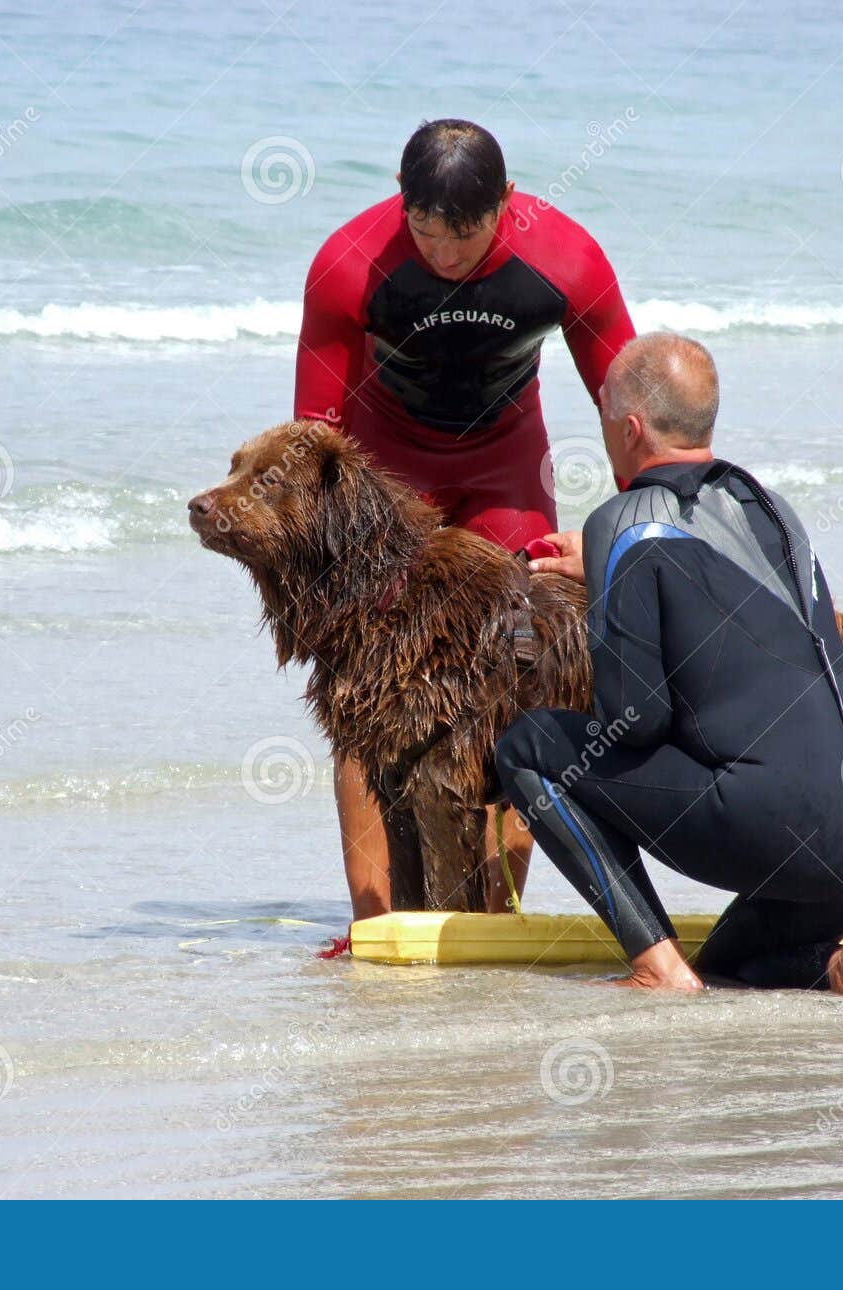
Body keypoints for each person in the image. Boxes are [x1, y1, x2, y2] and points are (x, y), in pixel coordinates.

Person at [495, 333, 843, 1006]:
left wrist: (610, 585)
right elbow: (732, 609)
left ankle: (658, 966)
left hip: (783, 822)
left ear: (629, 427)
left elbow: (634, 720)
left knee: (530, 746)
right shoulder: (770, 508)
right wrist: (611, 576)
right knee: (736, 963)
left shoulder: (624, 520)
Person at [295, 119, 636, 919]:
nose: (444, 256)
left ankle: (495, 909)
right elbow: (316, 435)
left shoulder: (565, 258)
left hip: (504, 466)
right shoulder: (350, 263)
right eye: (425, 232)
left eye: (466, 234)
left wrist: (633, 532)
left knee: (523, 671)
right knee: (363, 688)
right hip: (388, 471)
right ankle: (376, 918)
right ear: (401, 203)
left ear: (506, 204)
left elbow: (628, 405)